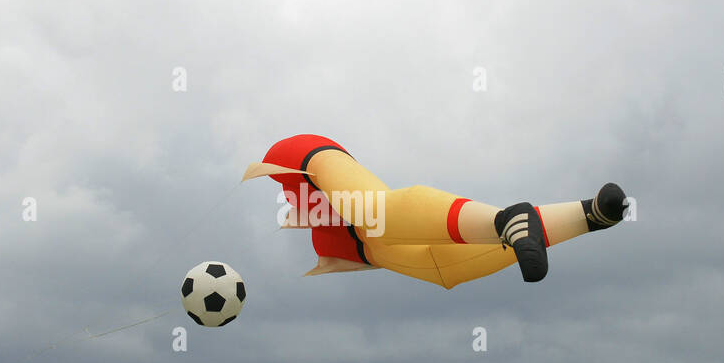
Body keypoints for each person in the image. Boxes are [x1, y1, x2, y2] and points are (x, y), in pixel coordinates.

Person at [243, 134, 627, 289]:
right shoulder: (355, 242)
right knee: (437, 265)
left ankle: (501, 220)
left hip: (307, 156)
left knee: (374, 213)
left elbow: (376, 211)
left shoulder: (293, 161)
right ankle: (590, 216)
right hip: (363, 247)